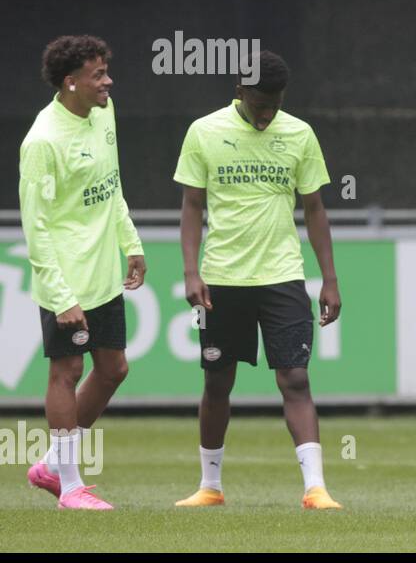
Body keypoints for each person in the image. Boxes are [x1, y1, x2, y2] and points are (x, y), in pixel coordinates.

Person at [173, 50, 344, 509]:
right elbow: (192, 206)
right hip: (222, 277)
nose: (267, 113)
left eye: (274, 104)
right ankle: (210, 486)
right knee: (217, 381)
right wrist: (191, 271)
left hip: (283, 275)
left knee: (295, 378)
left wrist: (329, 279)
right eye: (258, 104)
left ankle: (316, 489)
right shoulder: (204, 132)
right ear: (239, 91)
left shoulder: (300, 134)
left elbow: (314, 209)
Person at [20, 35, 146, 510]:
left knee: (114, 369)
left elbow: (111, 186)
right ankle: (70, 486)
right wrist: (60, 294)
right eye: (98, 74)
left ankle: (52, 464)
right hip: (65, 279)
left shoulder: (102, 112)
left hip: (102, 272)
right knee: (67, 371)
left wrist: (129, 243)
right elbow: (35, 228)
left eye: (106, 70)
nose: (108, 81)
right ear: (70, 82)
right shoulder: (42, 142)